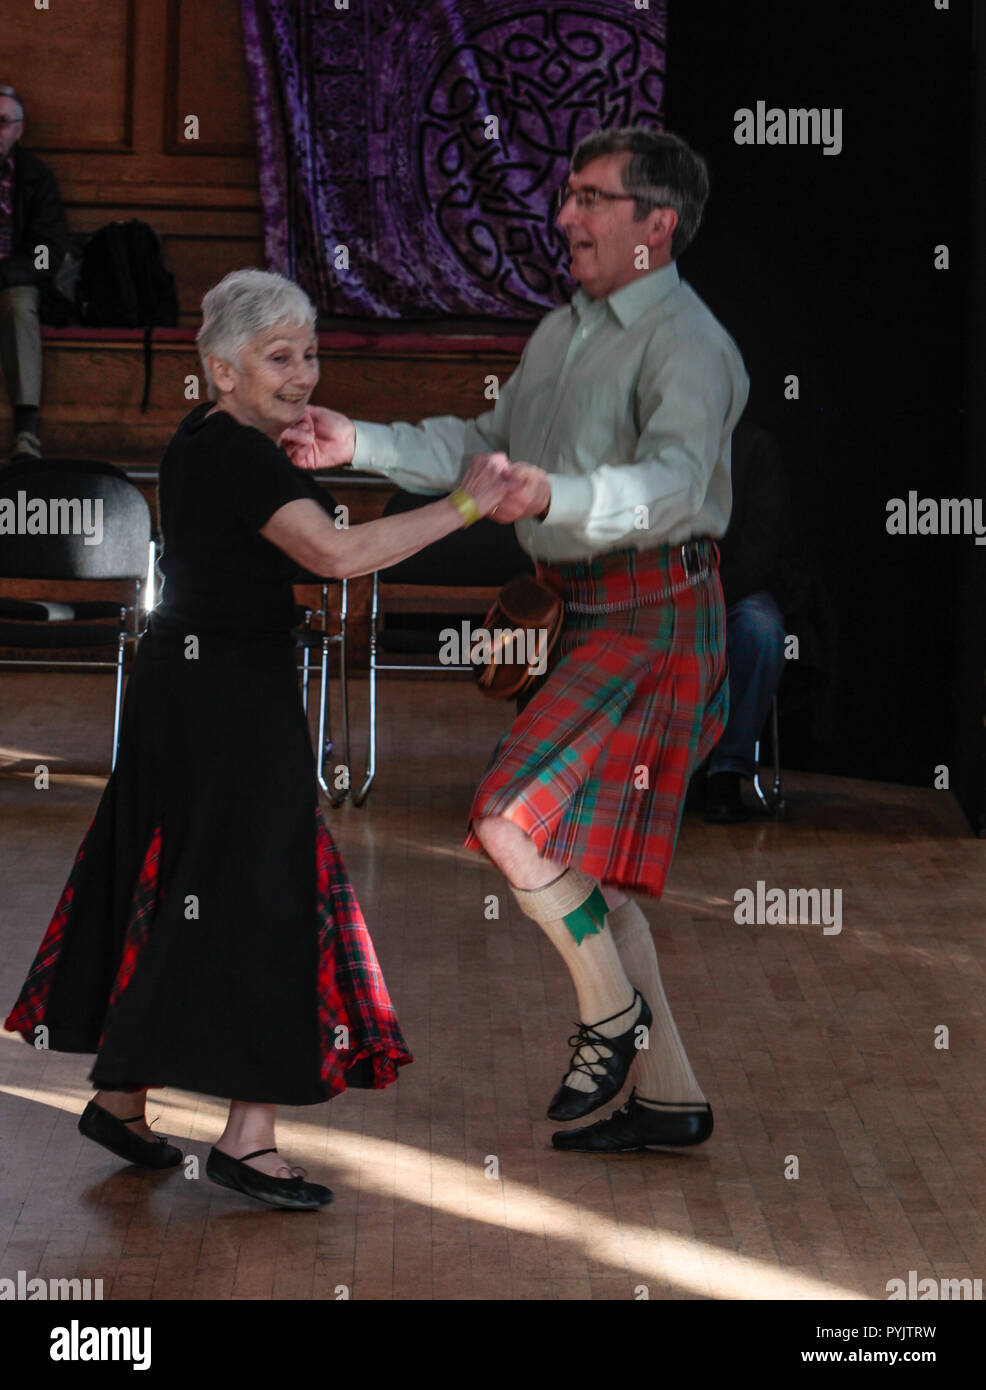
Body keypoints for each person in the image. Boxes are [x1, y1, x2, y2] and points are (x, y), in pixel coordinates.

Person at [280, 127, 750, 1154]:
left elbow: (673, 483)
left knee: (510, 822)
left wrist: (558, 495)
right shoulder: (563, 332)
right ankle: (667, 1096)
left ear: (654, 223)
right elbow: (483, 454)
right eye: (569, 195)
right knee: (592, 877)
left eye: (590, 198)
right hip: (582, 610)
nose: (563, 216)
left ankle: (611, 1021)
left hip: (655, 616)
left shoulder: (689, 346)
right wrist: (357, 441)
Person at [4, 269, 516, 1209]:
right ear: (220, 370)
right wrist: (469, 503)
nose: (302, 375)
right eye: (279, 357)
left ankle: (123, 1095)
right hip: (228, 701)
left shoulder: (206, 439)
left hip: (185, 690)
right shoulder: (240, 454)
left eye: (310, 353)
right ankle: (247, 1139)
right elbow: (336, 557)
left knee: (190, 876)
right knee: (268, 893)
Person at [701, 418, 792, 822]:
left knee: (761, 630)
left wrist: (705, 600)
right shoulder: (647, 443)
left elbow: (762, 550)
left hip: (730, 591)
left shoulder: (755, 448)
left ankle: (726, 770)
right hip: (657, 589)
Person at [0, 84, 69, 461]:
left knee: (20, 306)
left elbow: (48, 251)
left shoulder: (35, 177)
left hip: (15, 282)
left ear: (18, 129)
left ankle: (26, 433)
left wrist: (15, 274)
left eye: (2, 122)